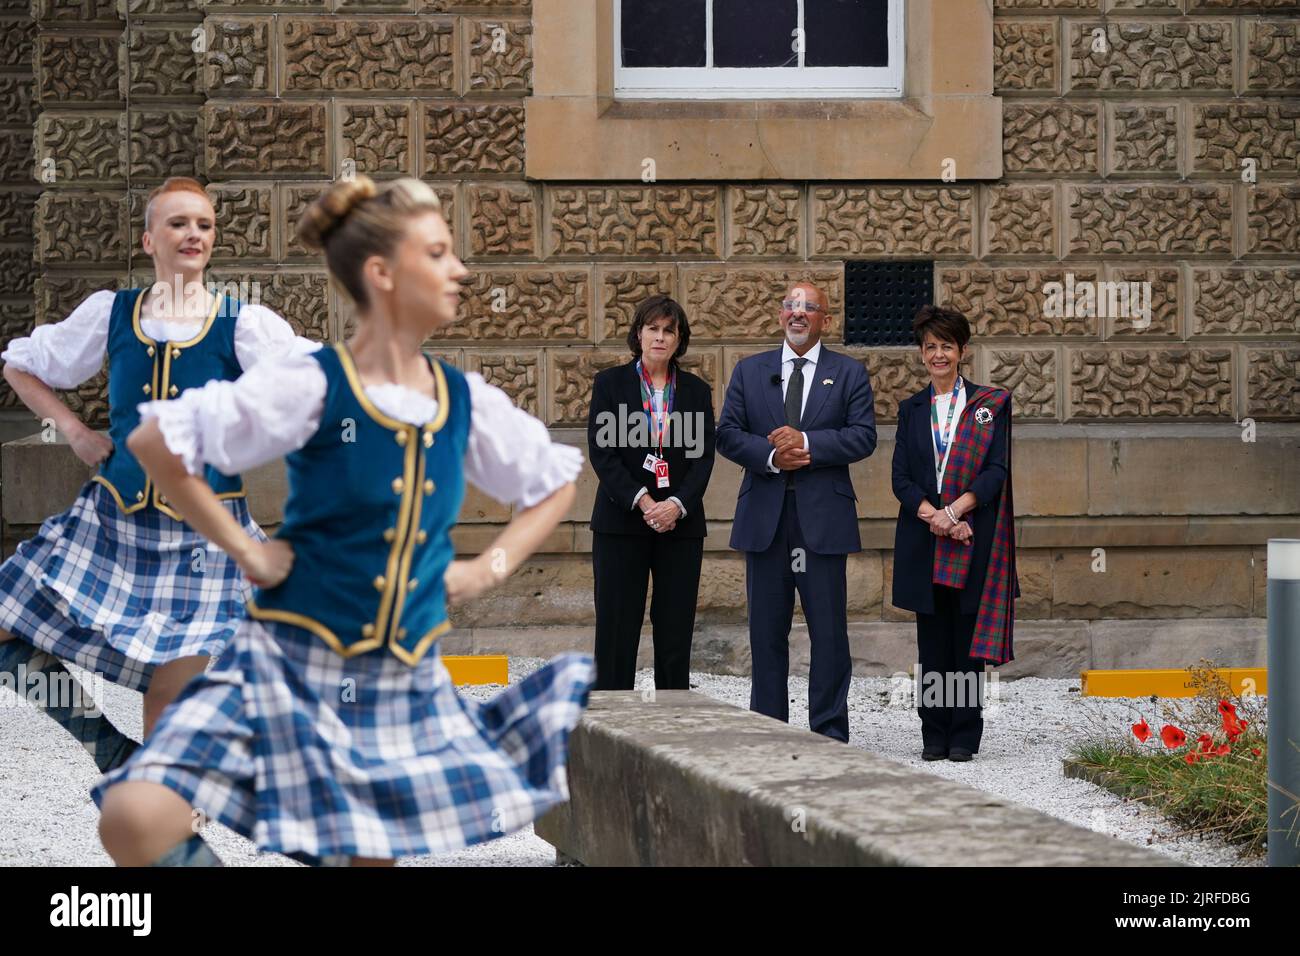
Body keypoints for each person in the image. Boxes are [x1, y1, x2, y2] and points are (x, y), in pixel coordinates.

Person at [94, 175, 593, 867]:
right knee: (134, 817)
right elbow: (155, 441)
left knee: (365, 855)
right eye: (440, 253)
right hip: (287, 659)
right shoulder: (312, 381)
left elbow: (553, 483)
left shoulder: (463, 399)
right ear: (382, 274)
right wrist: (245, 549)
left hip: (397, 677)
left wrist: (488, 568)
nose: (461, 271)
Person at [0, 176, 313, 773]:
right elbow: (22, 365)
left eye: (204, 224)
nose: (193, 234)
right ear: (149, 240)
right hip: (110, 521)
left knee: (168, 686)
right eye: (178, 223)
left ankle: (169, 811)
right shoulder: (111, 312)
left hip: (202, 534)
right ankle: (110, 750)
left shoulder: (243, 324)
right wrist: (74, 430)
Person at [715, 282, 876, 742]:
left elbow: (863, 436)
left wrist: (805, 444)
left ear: (825, 318)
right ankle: (768, 730)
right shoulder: (750, 371)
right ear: (781, 315)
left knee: (828, 633)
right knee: (766, 632)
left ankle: (827, 731)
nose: (798, 314)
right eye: (790, 306)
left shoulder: (848, 373)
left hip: (823, 521)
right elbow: (727, 434)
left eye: (808, 307)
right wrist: (770, 457)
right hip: (765, 519)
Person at [890, 304, 1018, 762]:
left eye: (947, 346)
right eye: (931, 347)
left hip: (972, 538)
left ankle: (964, 733)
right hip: (928, 540)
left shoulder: (989, 405)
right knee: (933, 642)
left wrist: (957, 511)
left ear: (963, 351)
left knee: (966, 642)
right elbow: (901, 479)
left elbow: (995, 471)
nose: (938, 354)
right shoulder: (911, 409)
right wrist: (936, 517)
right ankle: (933, 732)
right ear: (922, 355)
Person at [587, 294, 715, 690]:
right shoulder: (610, 384)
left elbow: (703, 457)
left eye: (668, 331)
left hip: (679, 524)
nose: (660, 338)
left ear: (679, 340)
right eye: (652, 329)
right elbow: (602, 453)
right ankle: (611, 718)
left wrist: (675, 505)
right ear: (638, 334)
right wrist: (644, 501)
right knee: (616, 623)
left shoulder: (695, 390)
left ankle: (672, 716)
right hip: (621, 520)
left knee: (675, 622)